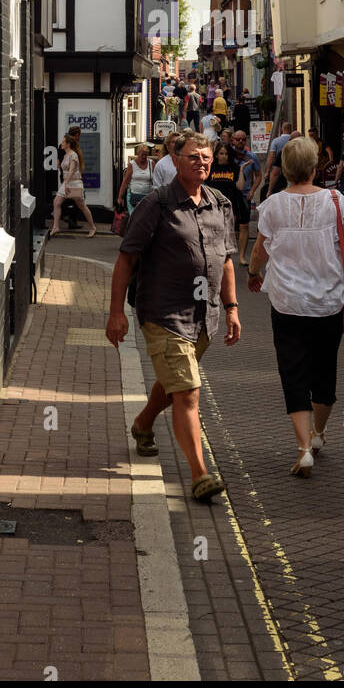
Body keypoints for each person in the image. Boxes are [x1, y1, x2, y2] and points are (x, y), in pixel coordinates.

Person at [107, 131, 241, 502]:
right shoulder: (157, 204)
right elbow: (126, 259)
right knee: (188, 391)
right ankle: (200, 474)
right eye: (194, 157)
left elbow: (227, 259)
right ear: (176, 159)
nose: (202, 163)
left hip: (205, 316)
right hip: (164, 314)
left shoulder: (220, 204)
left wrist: (231, 308)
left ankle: (143, 423)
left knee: (174, 383)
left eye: (206, 157)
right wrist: (116, 312)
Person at [247, 137, 344, 478]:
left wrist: (254, 274)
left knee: (293, 371)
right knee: (324, 368)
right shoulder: (336, 201)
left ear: (284, 170)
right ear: (314, 168)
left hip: (286, 302)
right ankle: (318, 435)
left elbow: (260, 251)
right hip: (329, 301)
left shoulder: (271, 206)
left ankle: (302, 449)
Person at [50, 133, 97, 238]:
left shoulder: (73, 155)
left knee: (82, 206)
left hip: (74, 183)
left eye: (63, 142)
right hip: (66, 183)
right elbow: (64, 169)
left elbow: (71, 170)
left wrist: (66, 183)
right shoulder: (65, 155)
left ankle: (93, 227)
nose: (61, 144)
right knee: (56, 202)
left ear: (68, 144)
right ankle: (56, 227)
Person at [232, 129, 262, 264]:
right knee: (228, 225)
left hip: (244, 195)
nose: (240, 142)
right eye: (237, 139)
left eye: (243, 139)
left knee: (244, 225)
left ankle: (242, 256)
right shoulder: (227, 155)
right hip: (230, 194)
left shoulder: (251, 157)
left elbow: (259, 175)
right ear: (233, 140)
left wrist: (253, 190)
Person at [116, 143, 154, 217]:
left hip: (147, 197)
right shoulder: (132, 164)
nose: (144, 157)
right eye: (142, 154)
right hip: (133, 197)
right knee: (135, 218)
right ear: (138, 153)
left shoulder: (151, 163)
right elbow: (125, 182)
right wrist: (120, 197)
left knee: (145, 219)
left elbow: (155, 181)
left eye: (146, 155)